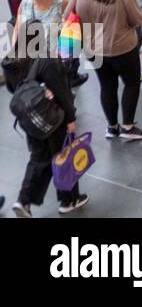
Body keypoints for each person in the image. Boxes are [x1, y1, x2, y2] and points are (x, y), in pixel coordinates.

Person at [70, 0, 142, 141]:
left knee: (107, 86)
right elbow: (136, 20)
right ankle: (128, 127)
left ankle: (112, 127)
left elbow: (69, 16)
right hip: (122, 48)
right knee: (130, 84)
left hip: (93, 50)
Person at [9, 41, 85, 217]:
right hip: (52, 119)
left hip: (32, 118)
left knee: (39, 160)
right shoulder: (50, 62)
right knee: (64, 157)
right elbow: (62, 94)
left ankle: (23, 200)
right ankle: (69, 200)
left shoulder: (30, 59)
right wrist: (71, 119)